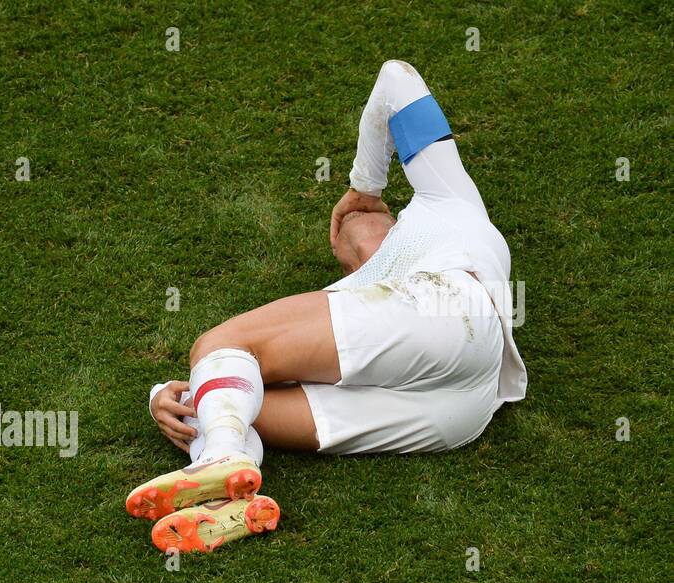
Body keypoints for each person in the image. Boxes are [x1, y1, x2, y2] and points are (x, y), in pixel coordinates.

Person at [127, 60, 527, 553]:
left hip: (455, 309)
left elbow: (396, 78)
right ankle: (226, 502)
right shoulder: (363, 293)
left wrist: (364, 187)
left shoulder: (444, 197)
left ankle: (220, 456)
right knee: (228, 408)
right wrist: (162, 396)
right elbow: (239, 383)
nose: (353, 238)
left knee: (219, 342)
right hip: (462, 413)